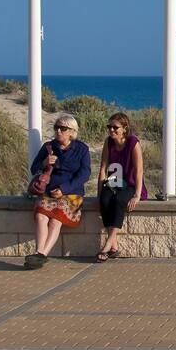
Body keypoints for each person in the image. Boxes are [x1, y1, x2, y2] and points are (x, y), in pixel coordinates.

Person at [27, 113, 91, 269]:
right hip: (49, 192)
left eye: (63, 128)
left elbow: (85, 174)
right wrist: (44, 162)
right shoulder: (49, 147)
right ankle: (39, 252)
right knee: (41, 216)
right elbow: (34, 168)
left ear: (72, 131)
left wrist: (64, 189)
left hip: (72, 194)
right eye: (56, 127)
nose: (59, 131)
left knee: (56, 220)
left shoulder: (81, 149)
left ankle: (42, 254)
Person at [96, 112, 147, 262]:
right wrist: (99, 194)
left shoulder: (133, 143)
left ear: (124, 128)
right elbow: (103, 168)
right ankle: (114, 246)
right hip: (115, 181)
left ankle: (107, 244)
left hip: (131, 183)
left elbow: (139, 171)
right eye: (109, 127)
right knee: (105, 200)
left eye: (115, 127)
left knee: (118, 201)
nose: (111, 130)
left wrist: (137, 194)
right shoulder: (109, 142)